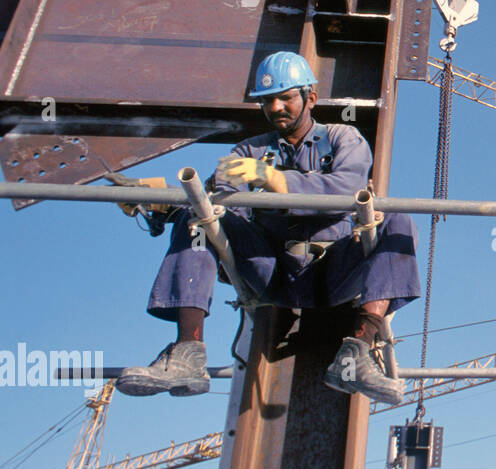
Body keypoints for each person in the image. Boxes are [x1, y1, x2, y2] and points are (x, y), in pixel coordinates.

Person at [116, 51, 421, 405]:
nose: (275, 107)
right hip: (271, 272)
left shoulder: (343, 139)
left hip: (333, 275)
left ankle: (357, 353)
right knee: (200, 215)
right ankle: (188, 353)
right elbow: (224, 202)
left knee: (396, 218)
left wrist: (276, 180)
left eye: (285, 97)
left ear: (310, 97)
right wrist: (162, 201)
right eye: (266, 101)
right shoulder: (249, 150)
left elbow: (348, 190)